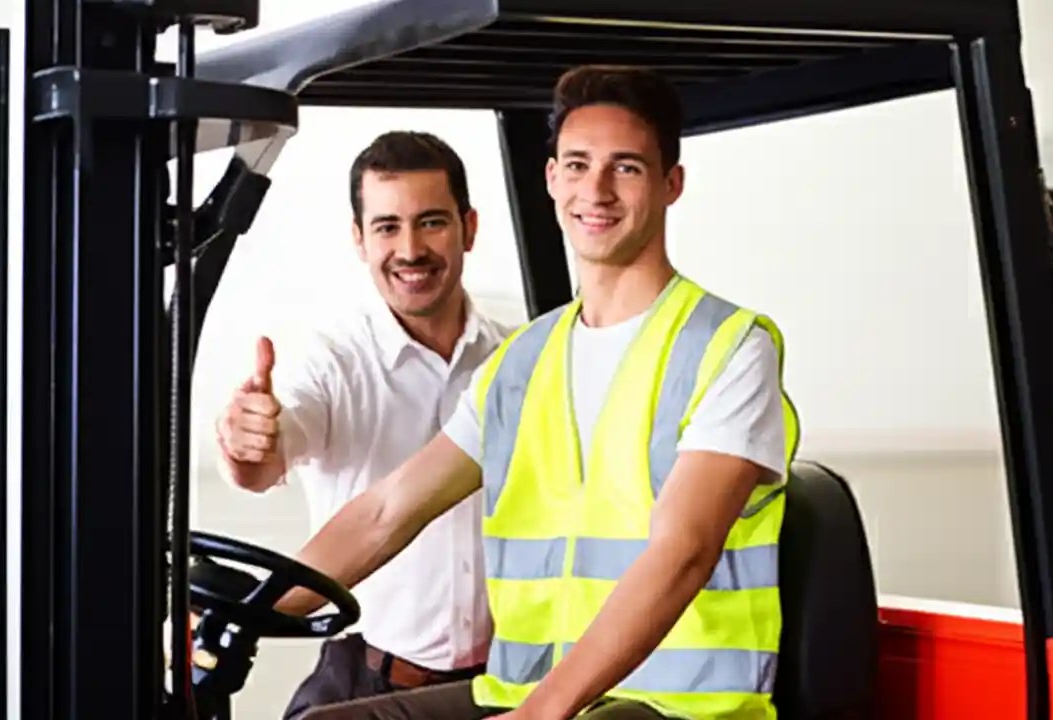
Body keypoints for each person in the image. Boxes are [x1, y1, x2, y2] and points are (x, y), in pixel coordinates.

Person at [277, 64, 800, 720]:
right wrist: (245, 610)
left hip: (674, 706)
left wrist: (542, 713)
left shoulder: (729, 347)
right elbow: (387, 511)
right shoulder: (522, 362)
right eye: (577, 165)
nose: (597, 191)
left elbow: (683, 551)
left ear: (671, 185)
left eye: (627, 168)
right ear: (552, 178)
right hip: (530, 692)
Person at [214, 130, 514, 718]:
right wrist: (245, 446)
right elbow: (269, 453)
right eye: (387, 227)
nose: (410, 248)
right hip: (371, 679)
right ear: (359, 238)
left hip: (503, 684)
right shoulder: (333, 364)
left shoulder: (520, 358)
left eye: (432, 222)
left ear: (468, 228)